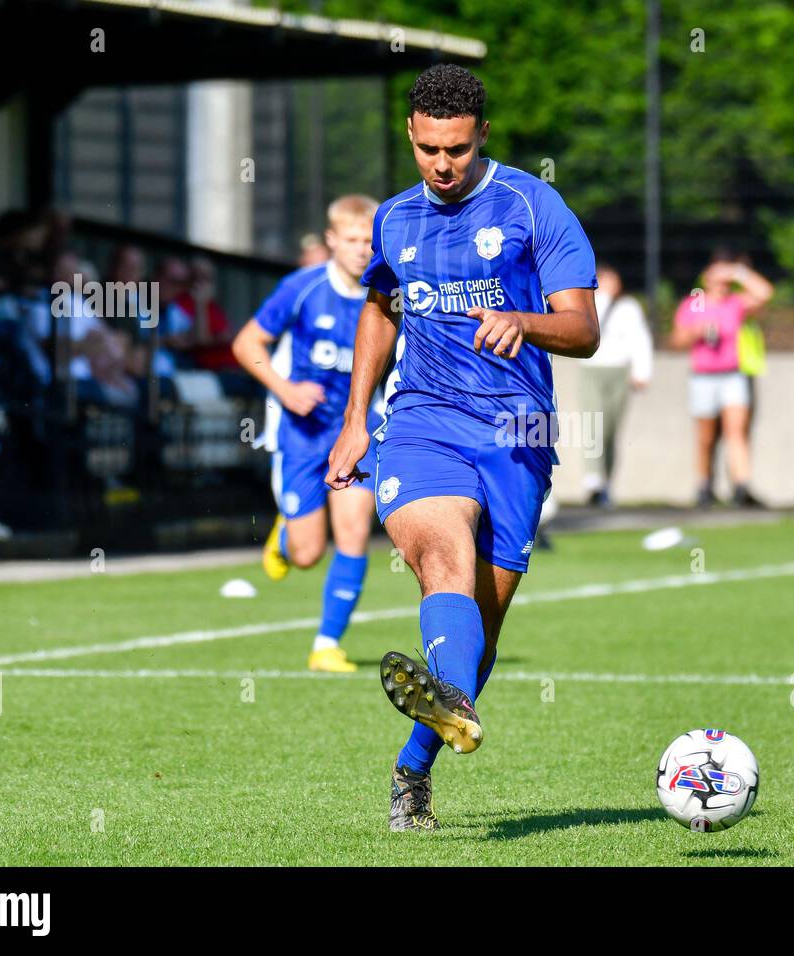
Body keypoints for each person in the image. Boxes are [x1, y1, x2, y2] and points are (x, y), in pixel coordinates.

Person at [324, 64, 600, 831]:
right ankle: (444, 713)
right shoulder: (395, 218)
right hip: (420, 423)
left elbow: (583, 328)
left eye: (455, 149)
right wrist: (357, 420)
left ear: (482, 135)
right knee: (441, 560)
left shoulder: (532, 206)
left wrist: (527, 320)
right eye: (426, 150)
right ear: (411, 137)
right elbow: (381, 307)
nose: (441, 166)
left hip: (517, 433)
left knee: (477, 638)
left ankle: (413, 767)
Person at [232, 194, 384, 674]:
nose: (362, 250)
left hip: (357, 431)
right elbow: (246, 342)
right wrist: (286, 389)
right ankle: (284, 539)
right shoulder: (301, 288)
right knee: (306, 554)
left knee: (355, 531)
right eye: (353, 240)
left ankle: (326, 644)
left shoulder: (389, 293)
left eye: (370, 241)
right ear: (332, 241)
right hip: (301, 433)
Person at [670, 252, 773, 508]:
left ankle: (741, 485)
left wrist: (738, 272)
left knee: (735, 431)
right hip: (703, 377)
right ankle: (704, 485)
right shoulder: (694, 303)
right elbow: (676, 341)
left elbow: (765, 293)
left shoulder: (735, 303)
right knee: (705, 436)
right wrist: (697, 332)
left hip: (732, 376)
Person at [577, 262, 652, 506]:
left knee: (610, 430)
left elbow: (640, 340)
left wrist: (642, 372)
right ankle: (592, 480)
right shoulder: (590, 302)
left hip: (618, 372)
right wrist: (603, 295)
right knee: (593, 426)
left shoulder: (629, 307)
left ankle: (605, 482)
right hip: (593, 370)